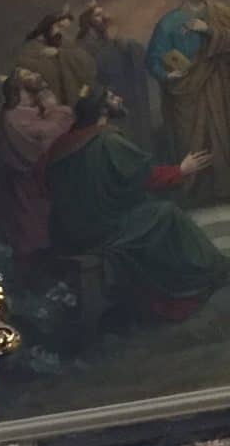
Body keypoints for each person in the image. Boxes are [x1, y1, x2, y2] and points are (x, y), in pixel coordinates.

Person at [43, 88, 228, 318]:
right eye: (112, 97)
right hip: (103, 229)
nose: (120, 98)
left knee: (151, 210)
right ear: (102, 109)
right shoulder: (106, 140)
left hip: (70, 230)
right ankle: (204, 277)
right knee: (166, 213)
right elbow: (144, 176)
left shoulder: (63, 144)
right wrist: (181, 170)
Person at [147, 0, 230, 202]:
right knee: (191, 138)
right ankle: (197, 193)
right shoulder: (169, 22)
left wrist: (209, 30)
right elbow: (153, 57)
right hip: (186, 90)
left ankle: (224, 189)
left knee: (222, 134)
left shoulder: (221, 13)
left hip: (219, 85)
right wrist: (166, 74)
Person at [0, 67, 74, 275]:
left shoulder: (32, 112)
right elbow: (43, 139)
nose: (37, 75)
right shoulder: (12, 117)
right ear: (18, 86)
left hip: (41, 186)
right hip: (27, 191)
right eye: (28, 74)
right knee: (35, 237)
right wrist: (57, 111)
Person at [77, 2, 156, 151]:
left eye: (103, 13)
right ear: (88, 21)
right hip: (102, 100)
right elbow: (87, 78)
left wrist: (126, 46)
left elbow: (130, 53)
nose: (105, 18)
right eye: (98, 15)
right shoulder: (83, 46)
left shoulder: (109, 39)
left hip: (123, 95)